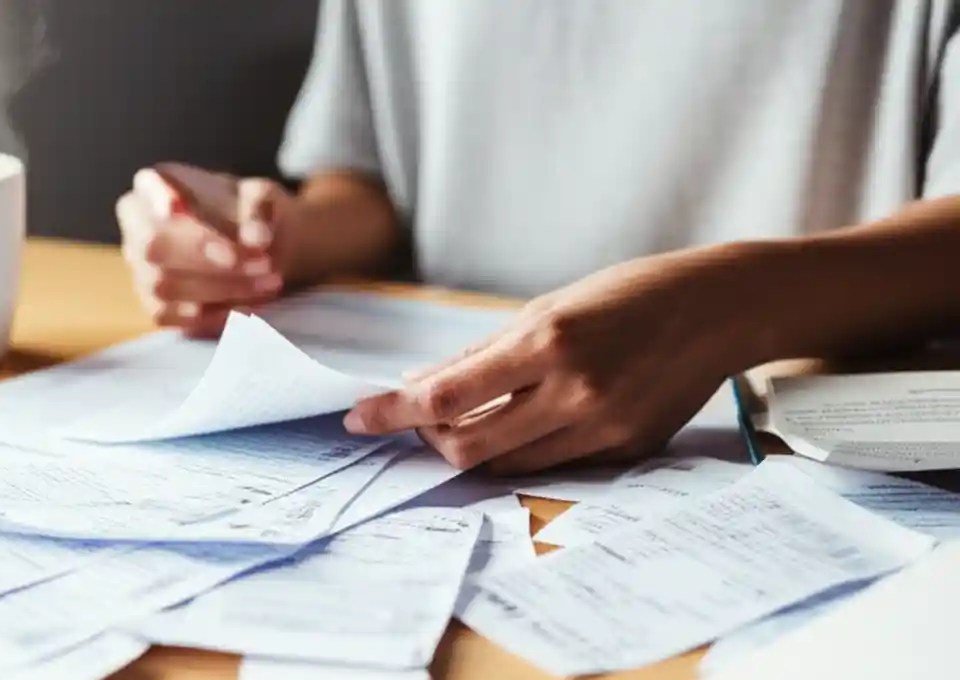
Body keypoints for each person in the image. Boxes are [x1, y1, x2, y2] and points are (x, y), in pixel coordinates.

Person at [115, 1, 960, 474]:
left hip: (794, 458)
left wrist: (725, 311)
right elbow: (367, 184)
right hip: (457, 468)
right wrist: (280, 237)